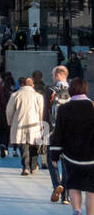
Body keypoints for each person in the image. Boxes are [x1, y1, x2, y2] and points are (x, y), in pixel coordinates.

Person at [50, 78, 94, 215]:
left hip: (71, 156)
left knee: (74, 186)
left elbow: (58, 133)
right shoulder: (93, 107)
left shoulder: (64, 109)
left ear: (71, 91)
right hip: (91, 157)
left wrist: (54, 155)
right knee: (91, 189)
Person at [6, 72, 45, 176]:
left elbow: (9, 111)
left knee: (23, 145)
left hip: (20, 123)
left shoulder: (15, 95)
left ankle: (25, 167)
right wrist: (41, 124)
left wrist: (10, 122)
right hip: (34, 123)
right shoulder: (39, 96)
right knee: (34, 145)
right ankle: (33, 165)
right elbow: (41, 112)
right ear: (32, 85)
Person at [46, 66, 71, 204]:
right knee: (66, 162)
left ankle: (57, 185)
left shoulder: (50, 91)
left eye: (52, 74)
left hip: (53, 132)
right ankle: (66, 196)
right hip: (69, 133)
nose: (52, 77)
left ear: (58, 75)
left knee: (52, 160)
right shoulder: (73, 91)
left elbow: (46, 112)